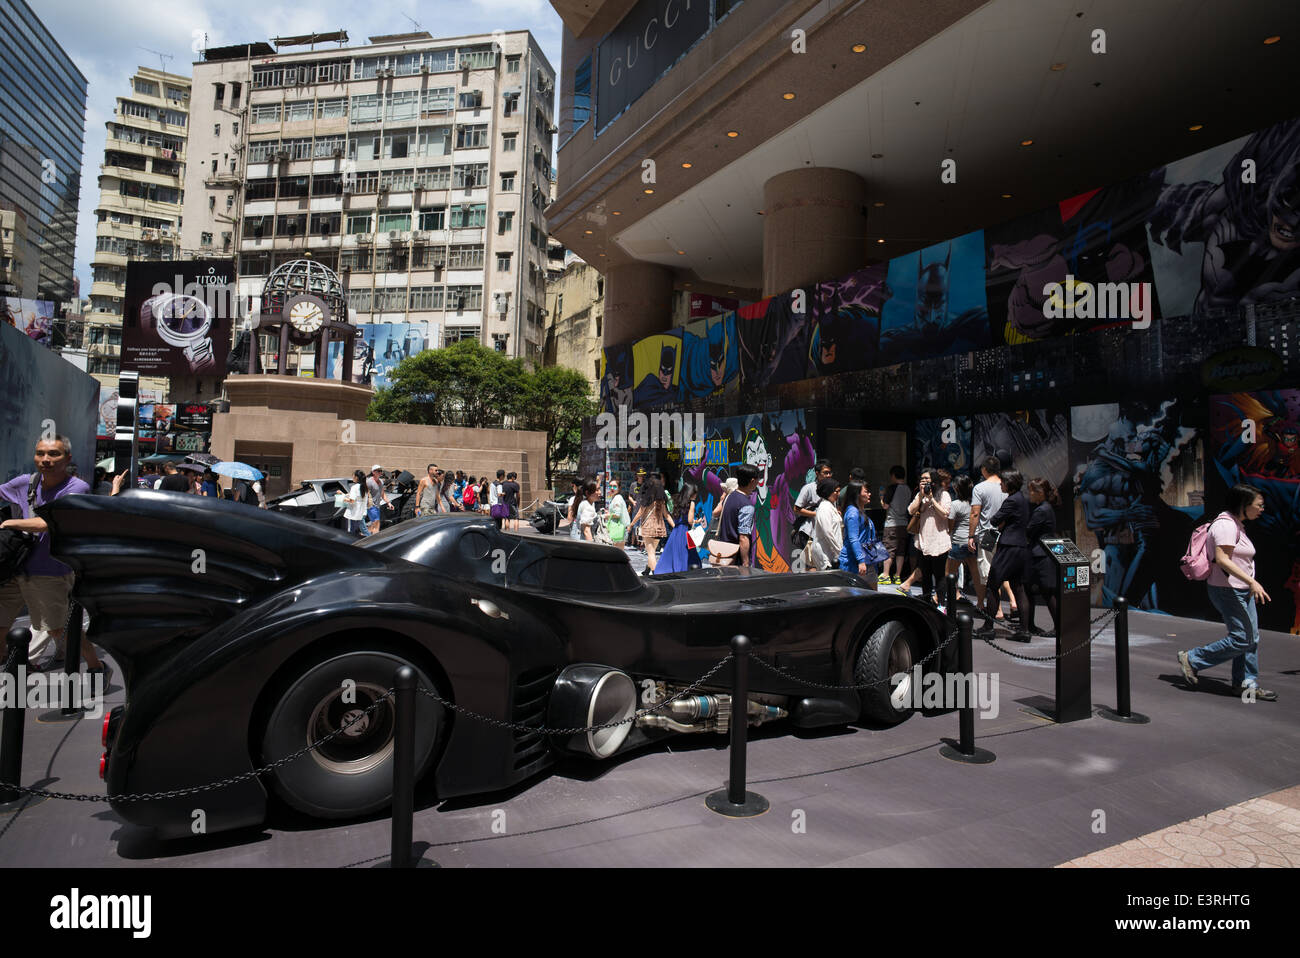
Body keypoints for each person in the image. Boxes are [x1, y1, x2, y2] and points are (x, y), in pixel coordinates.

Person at [0, 435, 109, 680]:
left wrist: (9, 523)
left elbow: (46, 523)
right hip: (13, 566)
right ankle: (11, 675)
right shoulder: (24, 483)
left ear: (67, 458)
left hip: (48, 570)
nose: (45, 459)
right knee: (1, 625)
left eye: (53, 454)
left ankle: (96, 667)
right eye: (40, 453)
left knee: (59, 629)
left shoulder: (76, 488)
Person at [1178, 484, 1277, 701]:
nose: (1262, 509)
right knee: (1243, 639)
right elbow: (1222, 560)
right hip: (1228, 590)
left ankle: (1245, 684)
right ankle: (1193, 659)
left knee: (1251, 638)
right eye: (1258, 505)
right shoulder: (1225, 526)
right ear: (1243, 504)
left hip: (1239, 589)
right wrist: (1253, 582)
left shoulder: (1236, 524)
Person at [977, 469, 1031, 640]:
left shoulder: (1012, 500)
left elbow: (994, 520)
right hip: (1021, 547)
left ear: (1009, 483)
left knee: (993, 585)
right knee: (1019, 588)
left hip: (1008, 546)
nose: (1000, 484)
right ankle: (1024, 630)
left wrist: (1000, 521)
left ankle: (988, 626)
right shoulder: (1022, 499)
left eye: (1002, 482)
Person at [968, 455, 1017, 622]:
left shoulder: (980, 488)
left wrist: (971, 535)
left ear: (984, 469)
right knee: (1004, 570)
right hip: (1005, 534)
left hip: (988, 533)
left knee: (989, 571)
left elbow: (975, 513)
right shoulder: (1006, 485)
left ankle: (997, 611)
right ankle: (1012, 601)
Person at [907, 468, 952, 607]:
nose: (924, 482)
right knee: (925, 575)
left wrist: (932, 499)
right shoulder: (920, 495)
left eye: (927, 479)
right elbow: (910, 510)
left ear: (934, 481)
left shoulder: (944, 495)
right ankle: (926, 603)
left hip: (939, 541)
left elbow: (945, 514)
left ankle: (941, 604)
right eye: (922, 479)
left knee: (939, 575)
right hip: (923, 541)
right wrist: (921, 497)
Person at [1023, 477, 1061, 637]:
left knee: (1047, 592)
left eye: (1032, 491)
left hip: (1040, 555)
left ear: (1040, 493)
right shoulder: (1046, 508)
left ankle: (1058, 627)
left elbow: (1029, 531)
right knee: (1033, 590)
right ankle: (1030, 625)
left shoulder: (1041, 510)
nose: (1030, 494)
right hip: (1043, 553)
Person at [716, 464, 760, 568]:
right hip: (736, 560)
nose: (758, 482)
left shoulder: (730, 497)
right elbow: (743, 537)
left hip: (724, 554)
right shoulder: (746, 505)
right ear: (752, 481)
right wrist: (745, 562)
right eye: (758, 480)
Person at [838, 479, 879, 588]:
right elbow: (853, 539)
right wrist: (861, 561)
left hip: (867, 560)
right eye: (866, 491)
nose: (869, 494)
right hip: (854, 562)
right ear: (857, 494)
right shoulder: (853, 512)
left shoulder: (859, 510)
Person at [655, 479, 701, 574]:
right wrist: (695, 521)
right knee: (687, 553)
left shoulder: (678, 501)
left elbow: (679, 517)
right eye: (695, 493)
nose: (696, 495)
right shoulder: (691, 503)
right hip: (685, 531)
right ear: (691, 493)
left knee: (673, 552)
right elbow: (689, 520)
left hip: (676, 531)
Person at [945, 474, 978, 603]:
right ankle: (980, 602)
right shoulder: (975, 504)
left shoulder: (955, 505)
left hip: (958, 542)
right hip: (972, 541)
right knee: (976, 575)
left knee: (949, 573)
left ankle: (941, 599)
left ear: (956, 488)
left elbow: (950, 527)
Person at [794, 460, 833, 568]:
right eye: (825, 473)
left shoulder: (833, 489)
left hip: (826, 532)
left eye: (830, 473)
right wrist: (816, 514)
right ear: (817, 473)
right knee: (811, 563)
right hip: (809, 532)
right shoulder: (808, 488)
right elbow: (797, 509)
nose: (828, 475)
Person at [631, 474, 670, 574]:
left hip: (648, 527)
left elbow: (639, 513)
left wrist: (631, 525)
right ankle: (647, 570)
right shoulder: (661, 501)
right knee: (652, 551)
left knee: (651, 553)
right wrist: (675, 526)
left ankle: (656, 573)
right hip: (659, 528)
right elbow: (667, 515)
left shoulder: (647, 500)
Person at [880, 465, 911, 585]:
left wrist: (882, 497)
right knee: (901, 551)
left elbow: (885, 506)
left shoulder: (892, 488)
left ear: (893, 475)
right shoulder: (908, 489)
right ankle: (897, 576)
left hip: (892, 524)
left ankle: (886, 575)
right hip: (904, 524)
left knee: (889, 549)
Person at [810, 477, 843, 571]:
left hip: (832, 552)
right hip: (825, 554)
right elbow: (828, 532)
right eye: (836, 491)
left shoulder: (830, 506)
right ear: (828, 491)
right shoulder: (824, 508)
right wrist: (839, 551)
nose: (838, 494)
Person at [366, 465, 393, 534]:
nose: (380, 472)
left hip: (377, 506)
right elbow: (365, 494)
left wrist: (388, 503)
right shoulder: (369, 482)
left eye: (381, 471)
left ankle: (363, 534)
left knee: (374, 525)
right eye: (378, 471)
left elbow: (382, 494)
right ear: (373, 472)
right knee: (377, 524)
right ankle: (375, 540)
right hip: (371, 506)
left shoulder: (381, 481)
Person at [343, 469, 368, 536]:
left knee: (349, 533)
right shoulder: (364, 487)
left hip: (352, 514)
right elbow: (359, 499)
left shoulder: (354, 487)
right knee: (356, 532)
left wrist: (344, 499)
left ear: (356, 477)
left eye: (353, 476)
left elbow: (352, 501)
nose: (352, 477)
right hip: (359, 514)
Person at [606, 479, 630, 548]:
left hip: (619, 529)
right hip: (620, 529)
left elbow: (617, 514)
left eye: (615, 486)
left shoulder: (617, 498)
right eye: (610, 486)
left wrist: (607, 515)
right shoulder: (616, 497)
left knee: (617, 552)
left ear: (619, 488)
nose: (612, 488)